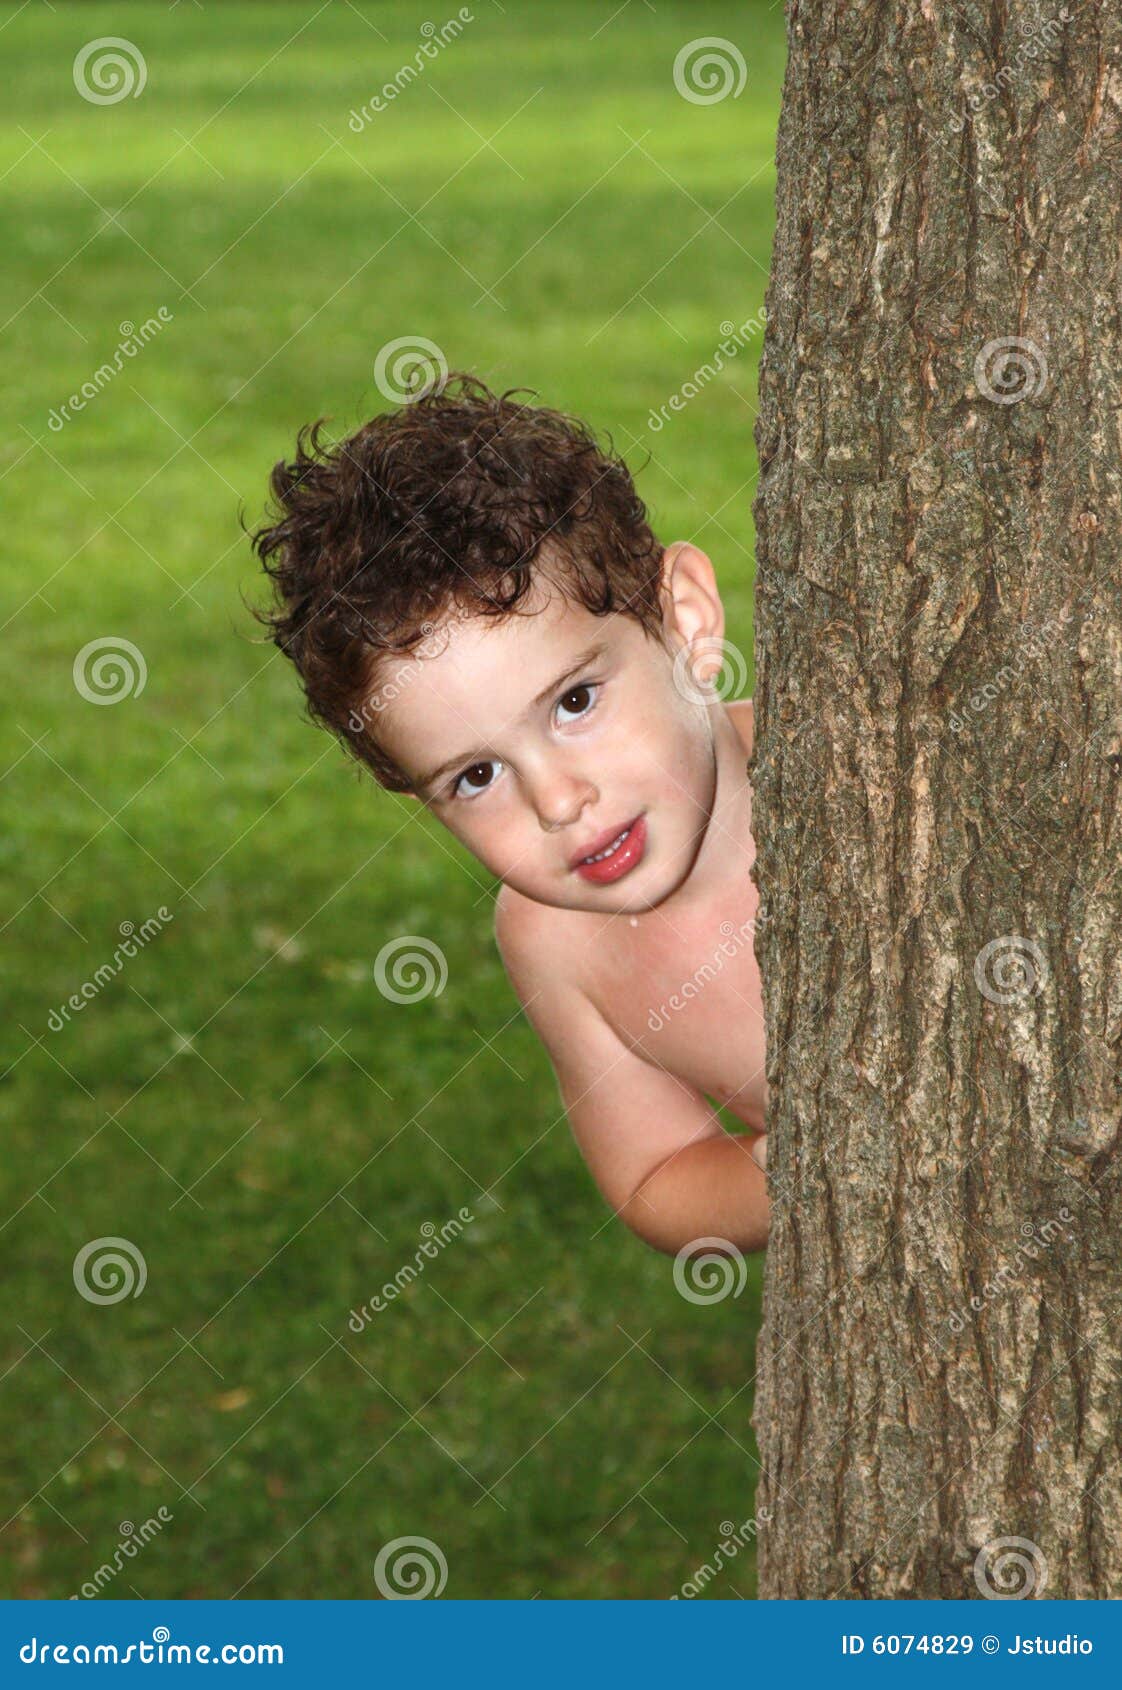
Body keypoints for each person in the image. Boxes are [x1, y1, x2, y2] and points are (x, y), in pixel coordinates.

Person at [252, 372, 769, 1257]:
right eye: (478, 774)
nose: (558, 801)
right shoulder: (553, 940)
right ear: (419, 795)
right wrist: (833, 1162)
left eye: (574, 703)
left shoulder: (852, 759)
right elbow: (656, 1175)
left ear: (684, 620)